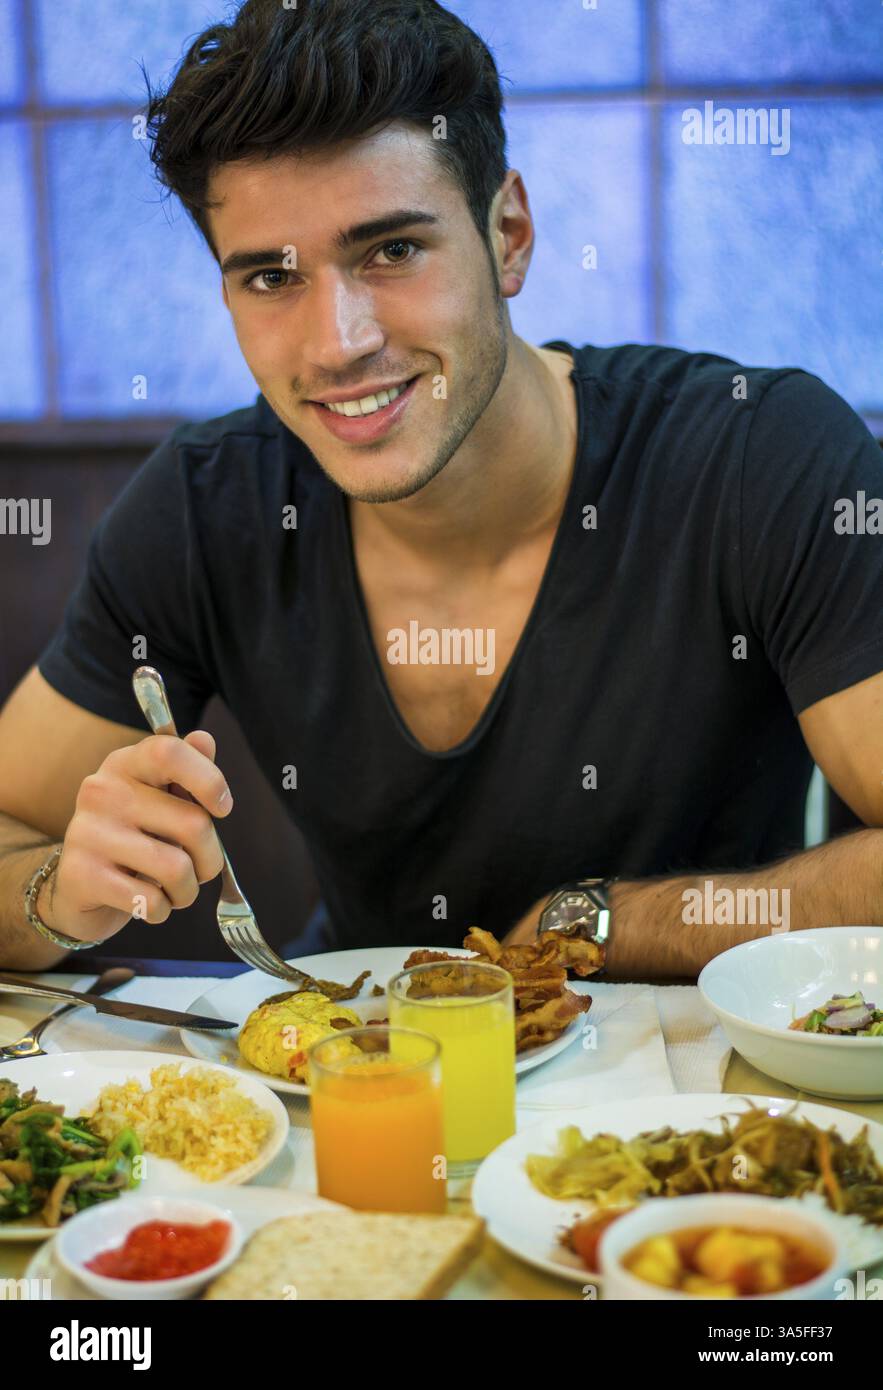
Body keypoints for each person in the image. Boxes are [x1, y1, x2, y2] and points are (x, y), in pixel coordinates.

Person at [1, 0, 881, 976]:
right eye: (270, 278)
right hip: (355, 1072)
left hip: (706, 1085)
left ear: (507, 234)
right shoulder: (206, 508)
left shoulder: (758, 454)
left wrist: (598, 925)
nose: (340, 342)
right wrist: (57, 893)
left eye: (391, 251)